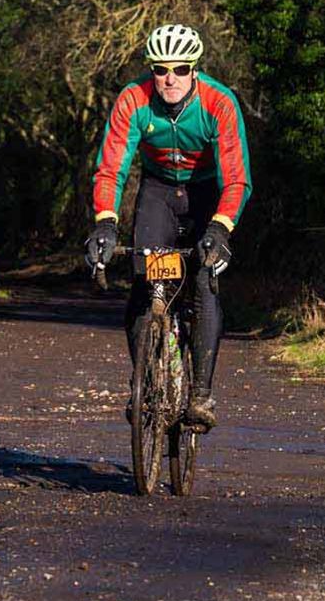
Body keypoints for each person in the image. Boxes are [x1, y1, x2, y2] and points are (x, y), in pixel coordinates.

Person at [83, 23, 251, 431]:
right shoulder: (134, 99)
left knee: (204, 283)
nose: (169, 78)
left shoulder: (219, 103)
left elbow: (236, 179)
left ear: (195, 70)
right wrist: (105, 223)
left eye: (180, 69)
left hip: (205, 194)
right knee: (145, 286)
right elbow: (111, 169)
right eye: (160, 69)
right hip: (158, 193)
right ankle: (144, 380)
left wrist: (220, 229)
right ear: (152, 70)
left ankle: (201, 395)